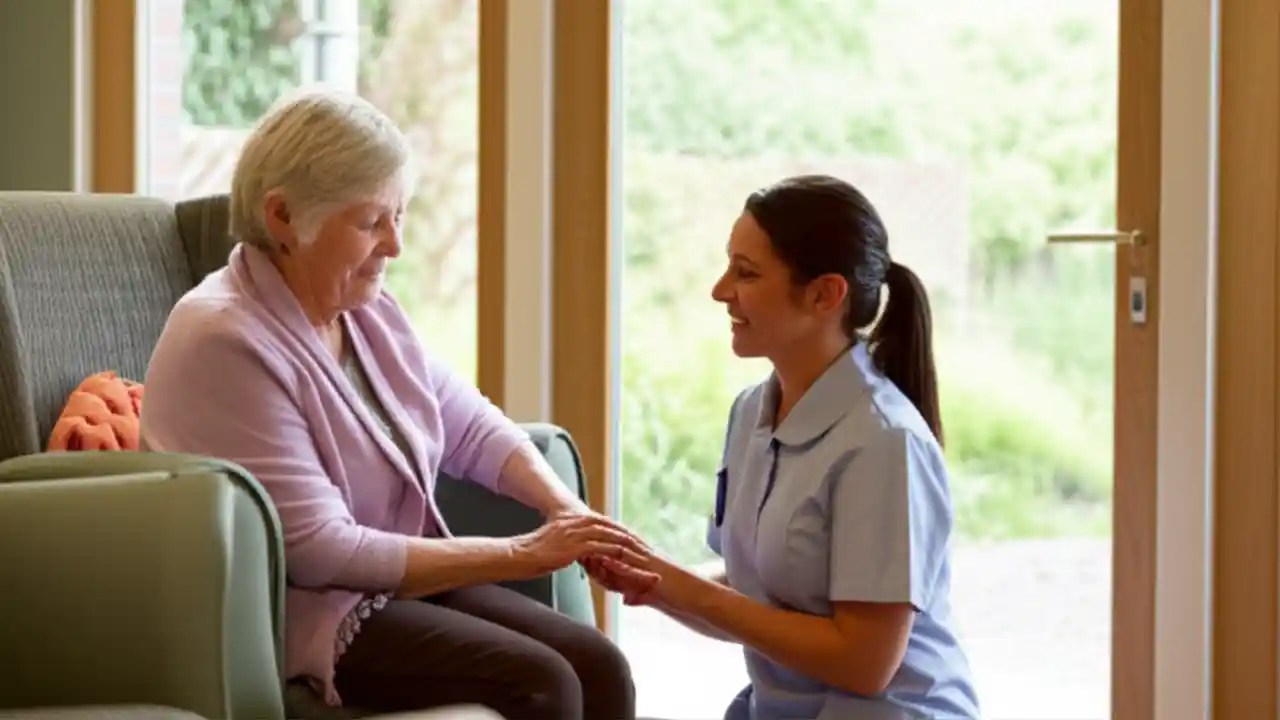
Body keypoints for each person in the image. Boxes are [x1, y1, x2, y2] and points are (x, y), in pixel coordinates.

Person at [140, 89, 639, 720]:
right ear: (284, 218)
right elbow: (319, 549)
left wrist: (564, 511)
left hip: (383, 591)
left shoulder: (363, 308)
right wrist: (524, 553)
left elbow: (467, 423)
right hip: (298, 611)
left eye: (399, 216)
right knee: (540, 685)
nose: (395, 245)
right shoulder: (226, 337)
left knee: (600, 666)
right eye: (372, 221)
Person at [587, 175, 981, 719]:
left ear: (825, 294)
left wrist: (679, 587)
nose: (720, 289)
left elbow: (864, 662)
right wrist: (652, 582)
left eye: (746, 273)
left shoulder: (883, 444)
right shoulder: (753, 412)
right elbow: (759, 591)